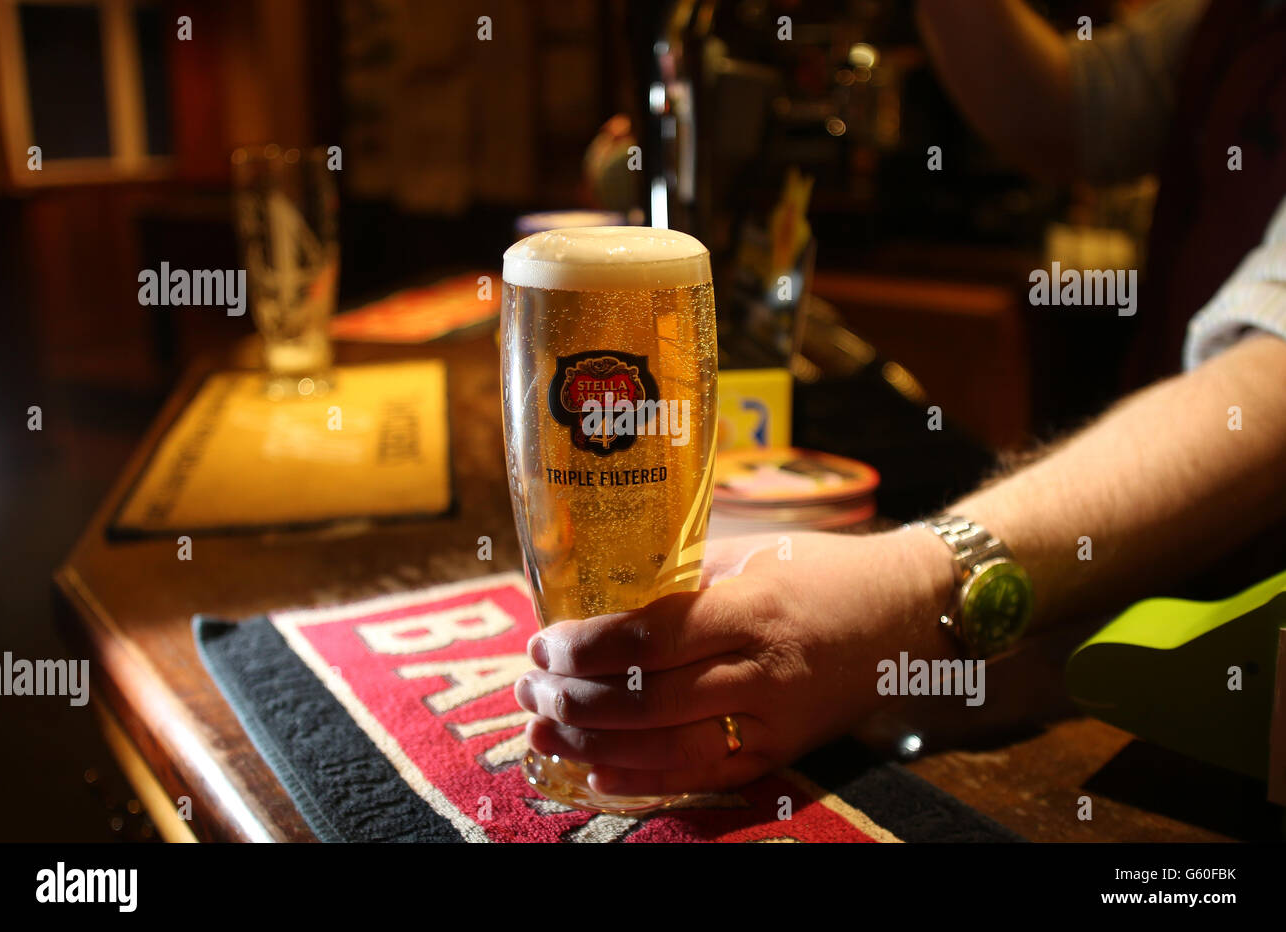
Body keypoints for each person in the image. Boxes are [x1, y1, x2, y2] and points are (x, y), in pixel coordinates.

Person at [512, 0, 1286, 798]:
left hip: (1247, 675)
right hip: (1125, 613)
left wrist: (910, 589)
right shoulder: (1227, 20)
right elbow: (1071, 112)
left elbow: (1276, 385)